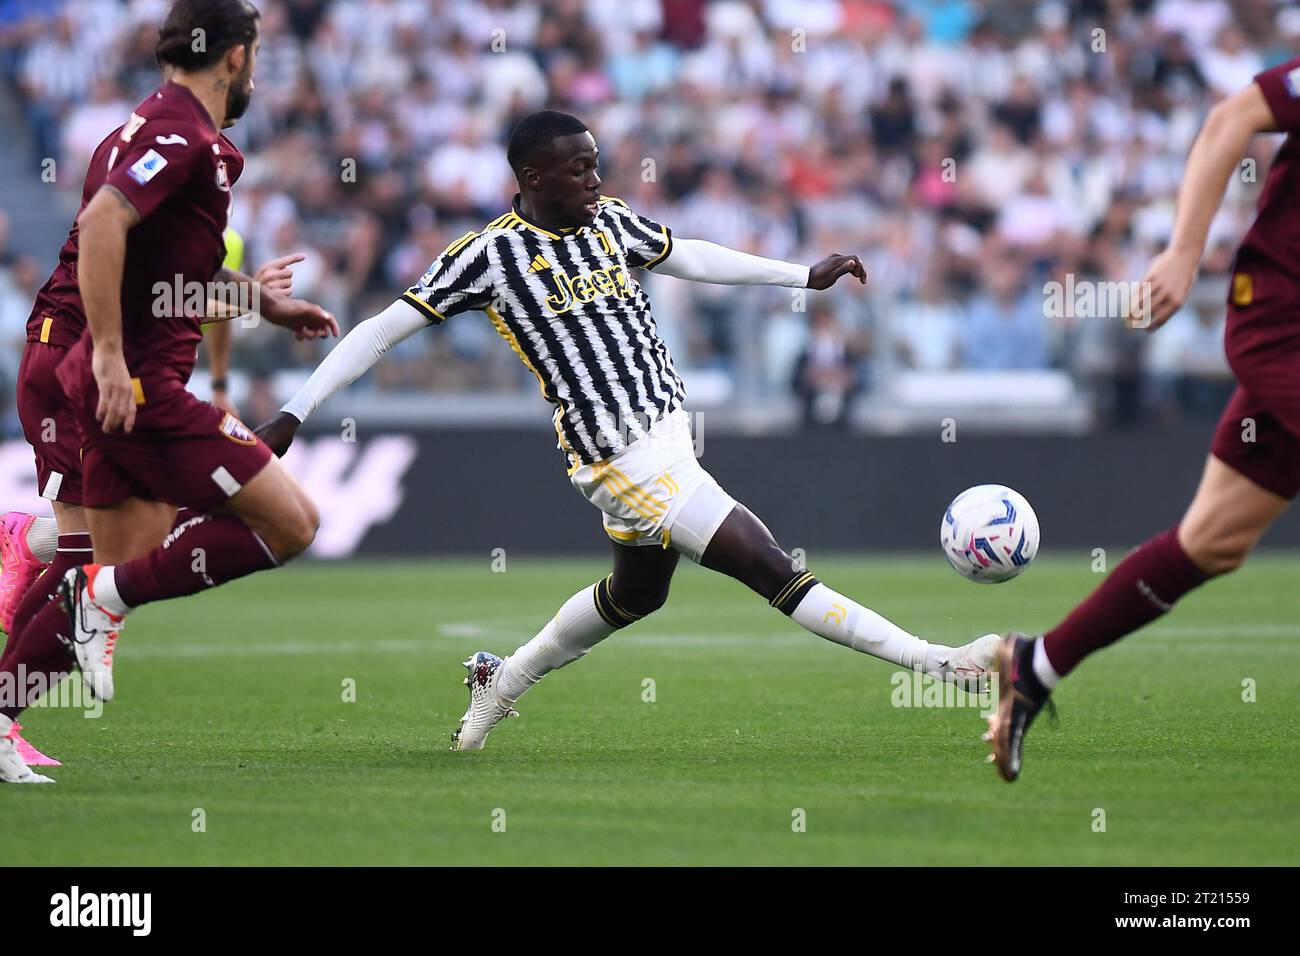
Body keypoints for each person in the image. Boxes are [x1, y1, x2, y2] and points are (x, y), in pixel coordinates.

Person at [256, 110, 999, 752]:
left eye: (596, 166)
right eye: (577, 169)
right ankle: (943, 665)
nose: (593, 180)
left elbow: (690, 256)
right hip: (617, 456)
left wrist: (799, 275)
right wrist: (296, 411)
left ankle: (499, 680)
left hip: (668, 435)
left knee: (638, 594)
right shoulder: (489, 255)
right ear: (531, 177)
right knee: (769, 563)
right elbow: (381, 332)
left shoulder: (609, 221)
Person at [0, 0, 337, 785]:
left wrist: (257, 299)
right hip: (111, 373)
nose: (256, 68)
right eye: (254, 54)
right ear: (234, 57)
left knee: (106, 557)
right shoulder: (176, 134)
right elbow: (106, 225)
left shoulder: (168, 134)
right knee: (278, 527)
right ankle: (68, 582)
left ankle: (14, 694)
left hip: (111, 368)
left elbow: (165, 269)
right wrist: (112, 356)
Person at [985, 57, 1300, 782]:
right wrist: (1184, 252)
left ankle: (1036, 665)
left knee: (1213, 543)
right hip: (1284, 322)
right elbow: (1231, 119)